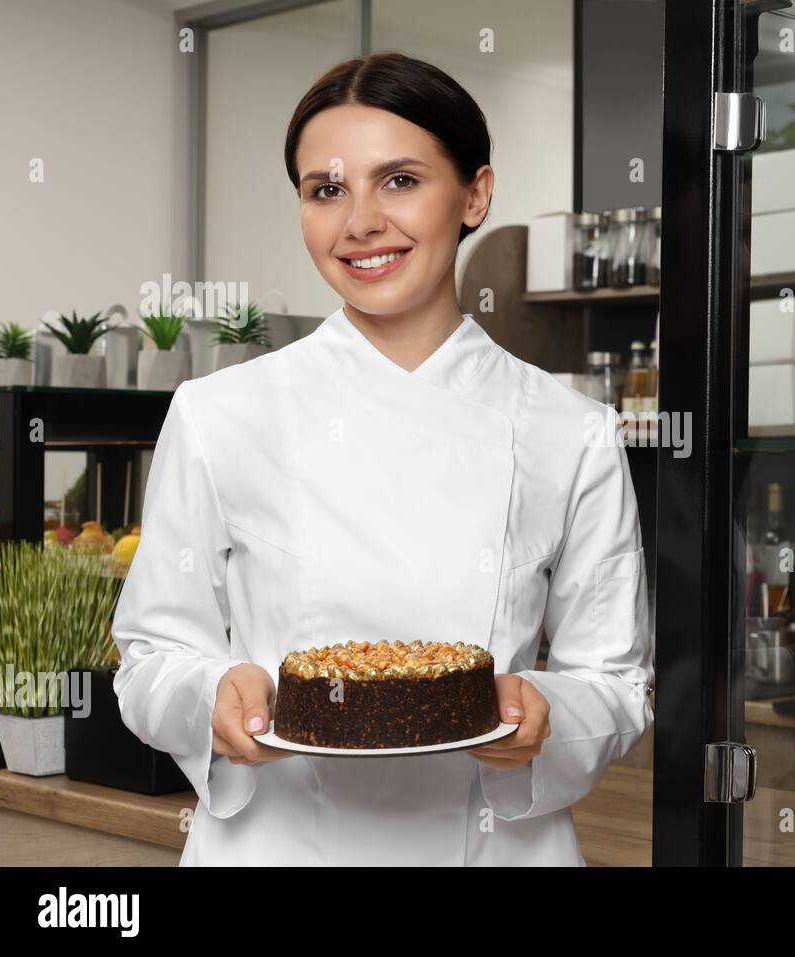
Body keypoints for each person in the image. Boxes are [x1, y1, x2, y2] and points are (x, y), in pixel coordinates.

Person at [111, 52, 653, 866]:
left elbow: (617, 678)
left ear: (475, 194)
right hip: (278, 846)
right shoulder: (220, 413)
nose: (360, 222)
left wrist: (545, 711)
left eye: (399, 180)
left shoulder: (569, 429)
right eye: (327, 190)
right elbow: (152, 653)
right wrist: (209, 698)